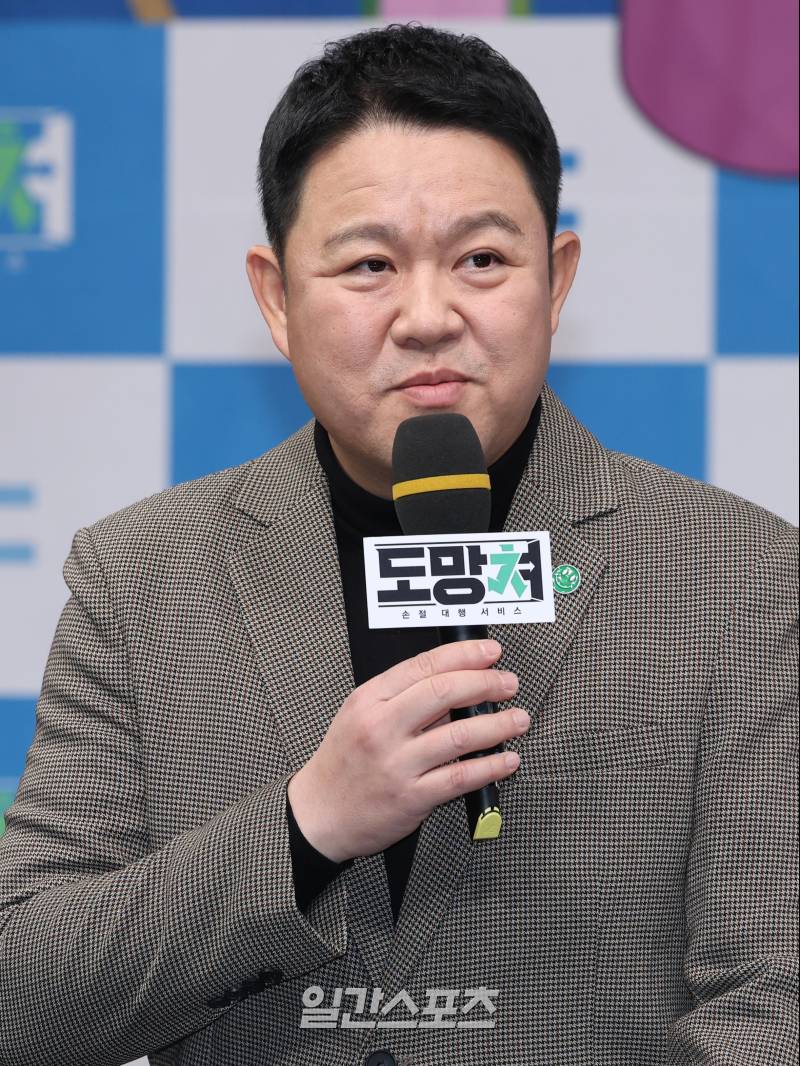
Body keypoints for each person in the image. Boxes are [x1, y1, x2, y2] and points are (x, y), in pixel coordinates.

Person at [0, 23, 796, 1066]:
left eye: (481, 259)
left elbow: (772, 1003)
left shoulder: (737, 577)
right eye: (369, 264)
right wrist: (306, 825)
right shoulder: (142, 579)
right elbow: (23, 1001)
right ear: (276, 297)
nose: (427, 316)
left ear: (556, 280)